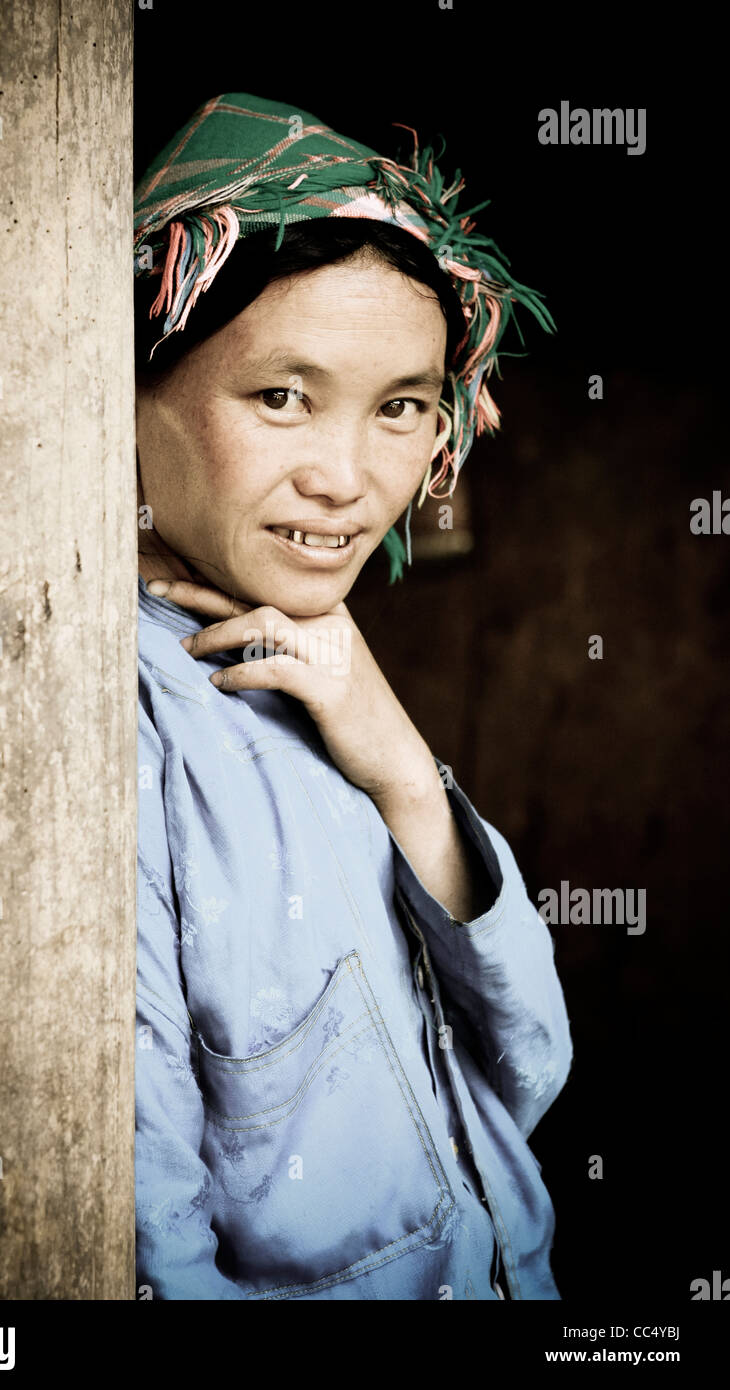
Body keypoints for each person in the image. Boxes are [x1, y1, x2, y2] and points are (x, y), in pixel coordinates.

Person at [133, 91, 573, 1300]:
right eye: (281, 395)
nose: (344, 479)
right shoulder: (107, 719)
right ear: (127, 391)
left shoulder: (329, 678)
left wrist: (401, 772)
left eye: (399, 407)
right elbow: (137, 1240)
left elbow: (525, 1075)